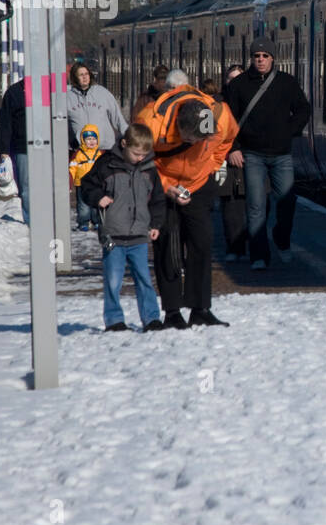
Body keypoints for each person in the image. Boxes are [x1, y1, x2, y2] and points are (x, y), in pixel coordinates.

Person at [141, 69, 238, 328]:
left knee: (202, 243)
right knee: (168, 248)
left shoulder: (218, 114)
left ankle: (200, 307)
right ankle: (172, 311)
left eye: (200, 139)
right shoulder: (151, 119)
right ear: (178, 126)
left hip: (198, 185)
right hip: (164, 187)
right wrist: (166, 186)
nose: (195, 143)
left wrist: (211, 165)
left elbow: (227, 139)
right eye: (190, 139)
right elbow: (138, 160)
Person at [224, 38, 312, 271]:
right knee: (255, 205)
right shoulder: (239, 85)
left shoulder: (287, 83)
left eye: (265, 56)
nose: (261, 60)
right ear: (251, 59)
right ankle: (259, 255)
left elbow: (304, 109)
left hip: (281, 154)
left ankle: (281, 238)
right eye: (256, 56)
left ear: (273, 58)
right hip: (252, 154)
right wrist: (233, 148)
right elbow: (228, 120)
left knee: (287, 202)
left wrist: (289, 131)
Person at [80, 123, 166, 332]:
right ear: (125, 144)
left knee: (144, 279)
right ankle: (114, 320)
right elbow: (87, 185)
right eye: (136, 153)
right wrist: (98, 197)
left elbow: (157, 199)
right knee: (113, 280)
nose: (139, 158)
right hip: (113, 234)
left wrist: (156, 224)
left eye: (144, 154)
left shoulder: (149, 169)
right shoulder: (107, 164)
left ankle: (152, 318)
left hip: (139, 234)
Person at [209, 66, 249, 262]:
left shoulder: (254, 99)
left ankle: (248, 243)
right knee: (231, 204)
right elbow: (208, 133)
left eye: (239, 78)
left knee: (258, 205)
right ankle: (234, 247)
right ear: (225, 81)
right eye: (231, 79)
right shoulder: (216, 105)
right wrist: (230, 149)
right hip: (225, 161)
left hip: (252, 157)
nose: (235, 82)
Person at [67, 62, 127, 156]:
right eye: (81, 75)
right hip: (80, 151)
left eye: (86, 74)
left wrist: (127, 135)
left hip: (104, 149)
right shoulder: (68, 97)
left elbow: (118, 118)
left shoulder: (102, 93)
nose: (85, 77)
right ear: (75, 77)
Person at [0, 77, 30, 224]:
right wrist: (3, 149)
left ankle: (46, 217)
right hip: (22, 147)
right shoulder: (14, 93)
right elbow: (5, 123)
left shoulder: (47, 89)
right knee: (26, 187)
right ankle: (31, 221)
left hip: (47, 147)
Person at [69, 124, 102, 230]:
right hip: (82, 183)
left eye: (93, 139)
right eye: (88, 139)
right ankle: (83, 222)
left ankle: (96, 221)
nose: (91, 141)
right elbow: (72, 168)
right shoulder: (79, 154)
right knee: (83, 205)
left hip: (96, 183)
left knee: (96, 204)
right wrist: (70, 181)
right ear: (83, 140)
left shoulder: (100, 154)